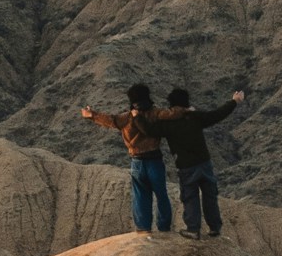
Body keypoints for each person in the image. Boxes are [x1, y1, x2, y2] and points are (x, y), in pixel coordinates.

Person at [78, 82, 174, 232]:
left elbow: (110, 120)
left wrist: (92, 115)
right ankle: (164, 227)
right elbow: (171, 114)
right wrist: (185, 109)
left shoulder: (127, 118)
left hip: (137, 162)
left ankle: (143, 228)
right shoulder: (156, 114)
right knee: (161, 194)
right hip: (155, 160)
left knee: (141, 195)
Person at [157, 83, 246, 236]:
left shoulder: (167, 123)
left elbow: (150, 130)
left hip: (185, 166)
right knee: (210, 196)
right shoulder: (195, 117)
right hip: (204, 163)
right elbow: (217, 114)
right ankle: (214, 228)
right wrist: (234, 101)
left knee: (190, 197)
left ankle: (193, 229)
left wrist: (136, 115)